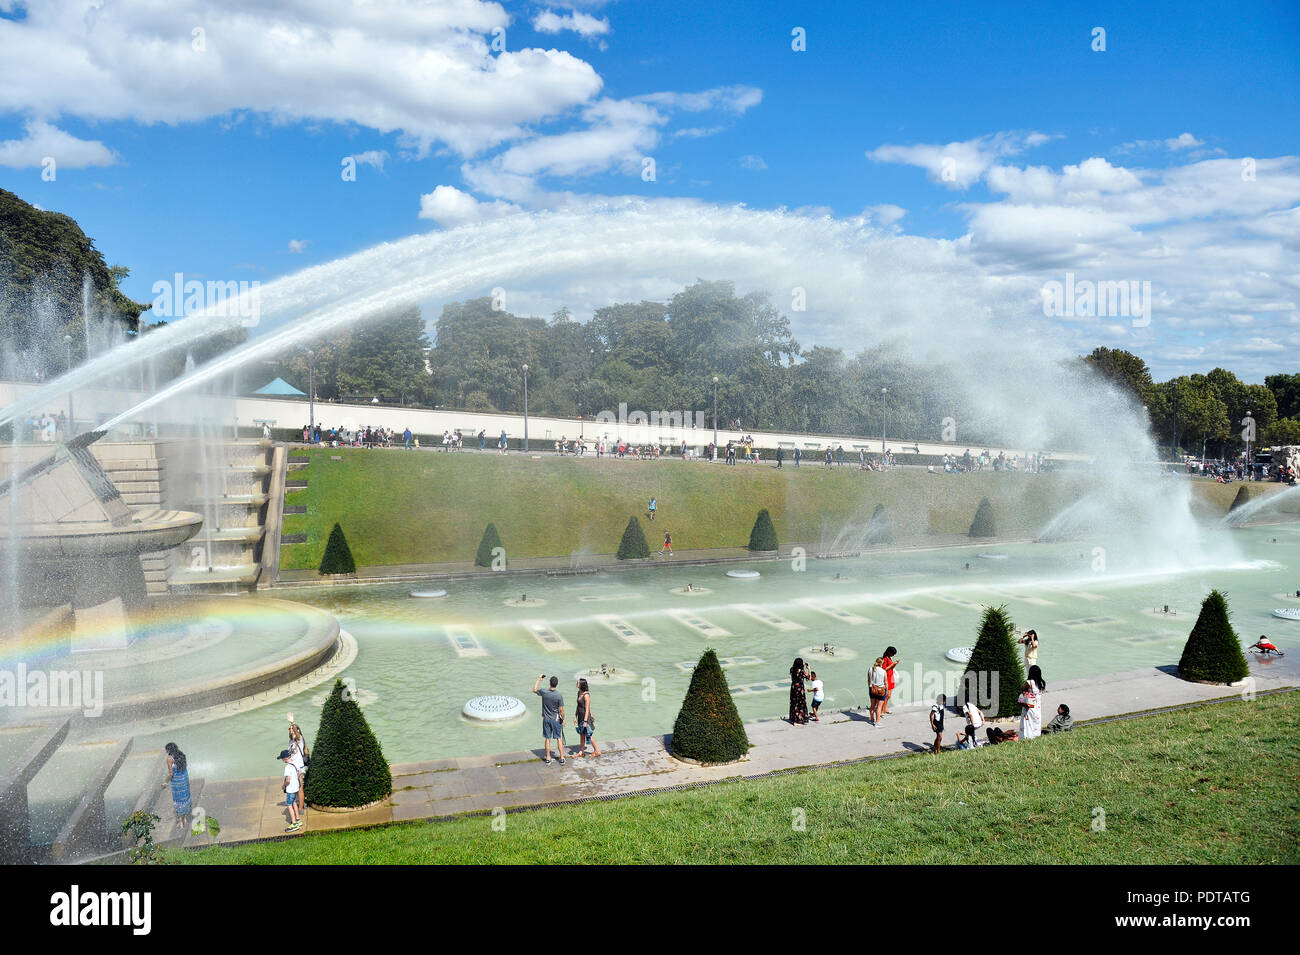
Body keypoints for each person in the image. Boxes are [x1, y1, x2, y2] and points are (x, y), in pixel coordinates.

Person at [532, 674, 566, 763]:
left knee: (547, 738)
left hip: (546, 719)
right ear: (557, 684)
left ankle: (548, 758)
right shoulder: (559, 695)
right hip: (556, 719)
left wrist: (539, 679)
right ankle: (562, 758)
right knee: (559, 738)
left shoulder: (544, 692)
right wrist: (563, 719)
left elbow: (534, 690)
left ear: (549, 683)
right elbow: (561, 710)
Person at [164, 742, 191, 831]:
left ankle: (180, 821)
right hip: (184, 780)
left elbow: (171, 774)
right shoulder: (182, 755)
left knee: (178, 800)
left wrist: (165, 782)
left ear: (168, 750)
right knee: (185, 798)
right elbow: (184, 768)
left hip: (177, 783)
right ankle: (185, 818)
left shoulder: (169, 759)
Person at [288, 720, 310, 818]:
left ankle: (301, 808)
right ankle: (301, 804)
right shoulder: (291, 741)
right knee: (296, 788)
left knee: (300, 788)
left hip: (299, 768)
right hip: (293, 768)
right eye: (290, 729)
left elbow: (296, 733)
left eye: (293, 729)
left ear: (297, 730)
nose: (291, 731)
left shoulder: (299, 739)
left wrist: (292, 723)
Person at [574, 678, 600, 757]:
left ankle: (597, 751)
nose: (576, 683)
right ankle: (581, 752)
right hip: (580, 716)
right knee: (581, 734)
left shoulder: (586, 695)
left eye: (578, 683)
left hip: (585, 717)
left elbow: (587, 709)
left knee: (588, 734)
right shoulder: (579, 692)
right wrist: (575, 716)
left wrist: (585, 721)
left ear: (581, 684)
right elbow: (578, 706)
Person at [279, 749, 303, 832]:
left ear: (285, 759)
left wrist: (284, 785)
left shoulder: (287, 767)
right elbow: (300, 772)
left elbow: (288, 780)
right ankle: (298, 819)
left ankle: (294, 824)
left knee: (289, 805)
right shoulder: (295, 763)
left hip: (290, 789)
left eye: (282, 759)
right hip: (296, 787)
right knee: (294, 803)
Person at [788, 658, 810, 724]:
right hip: (800, 689)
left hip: (793, 687)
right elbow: (809, 678)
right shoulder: (802, 671)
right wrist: (809, 669)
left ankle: (793, 718)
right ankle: (798, 720)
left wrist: (802, 664)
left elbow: (796, 668)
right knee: (801, 703)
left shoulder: (792, 669)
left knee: (794, 703)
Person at [868, 657, 888, 724]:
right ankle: (877, 723)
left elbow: (868, 680)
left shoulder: (870, 669)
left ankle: (872, 719)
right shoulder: (883, 671)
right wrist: (886, 690)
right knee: (879, 707)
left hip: (872, 689)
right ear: (882, 663)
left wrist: (870, 688)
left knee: (872, 706)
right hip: (881, 690)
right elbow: (885, 682)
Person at [881, 646, 898, 715]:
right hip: (887, 677)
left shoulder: (890, 658)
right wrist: (893, 664)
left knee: (888, 695)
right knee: (887, 695)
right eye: (893, 653)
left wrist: (895, 664)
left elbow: (891, 668)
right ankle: (882, 710)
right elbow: (884, 669)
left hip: (891, 677)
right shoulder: (885, 659)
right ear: (889, 652)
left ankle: (885, 708)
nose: (893, 655)